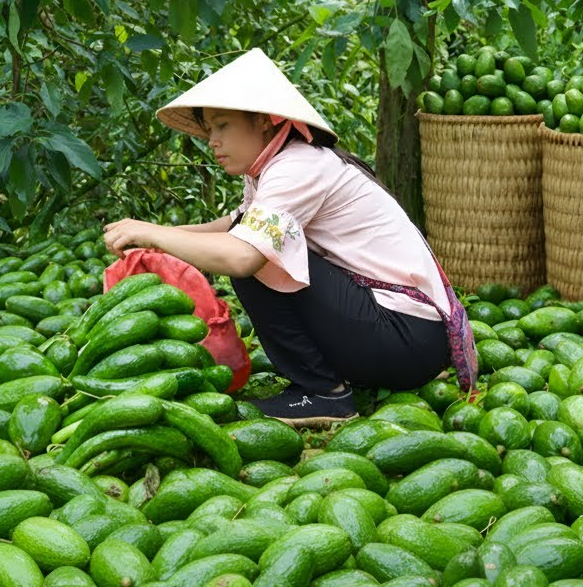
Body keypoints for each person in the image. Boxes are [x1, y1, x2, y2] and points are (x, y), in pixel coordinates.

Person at [104, 49, 475, 424]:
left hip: (405, 338)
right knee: (246, 234)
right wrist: (154, 237)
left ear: (266, 120)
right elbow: (235, 221)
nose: (212, 141)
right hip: (405, 336)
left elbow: (243, 256)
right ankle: (330, 384)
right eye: (209, 129)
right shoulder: (273, 168)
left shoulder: (297, 166)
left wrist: (153, 232)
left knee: (254, 251)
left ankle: (323, 393)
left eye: (222, 126)